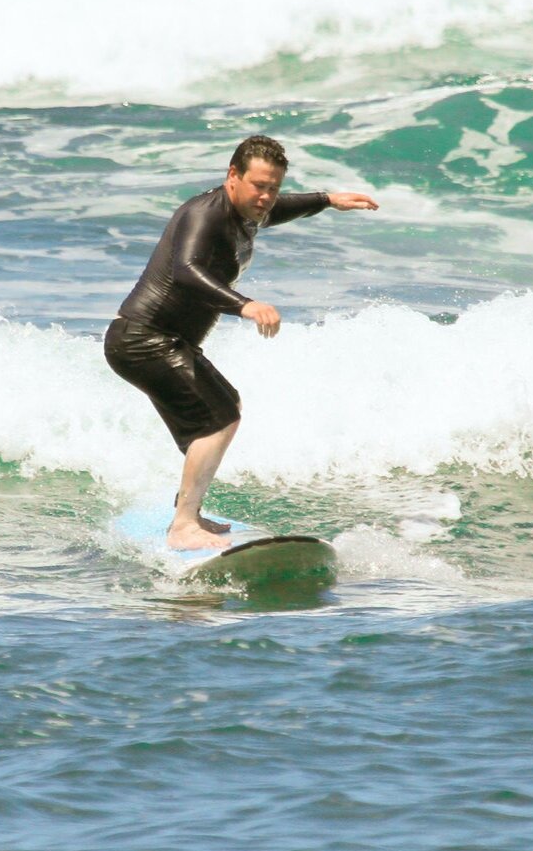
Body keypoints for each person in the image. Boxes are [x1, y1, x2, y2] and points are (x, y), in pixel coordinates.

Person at [105, 135, 378, 550]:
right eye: (259, 186)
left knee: (221, 412)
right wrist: (244, 305)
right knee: (218, 417)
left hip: (165, 341)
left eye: (274, 187)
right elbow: (186, 270)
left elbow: (279, 209)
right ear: (232, 176)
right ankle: (183, 526)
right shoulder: (205, 215)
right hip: (144, 339)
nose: (267, 197)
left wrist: (326, 199)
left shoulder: (249, 208)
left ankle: (189, 515)